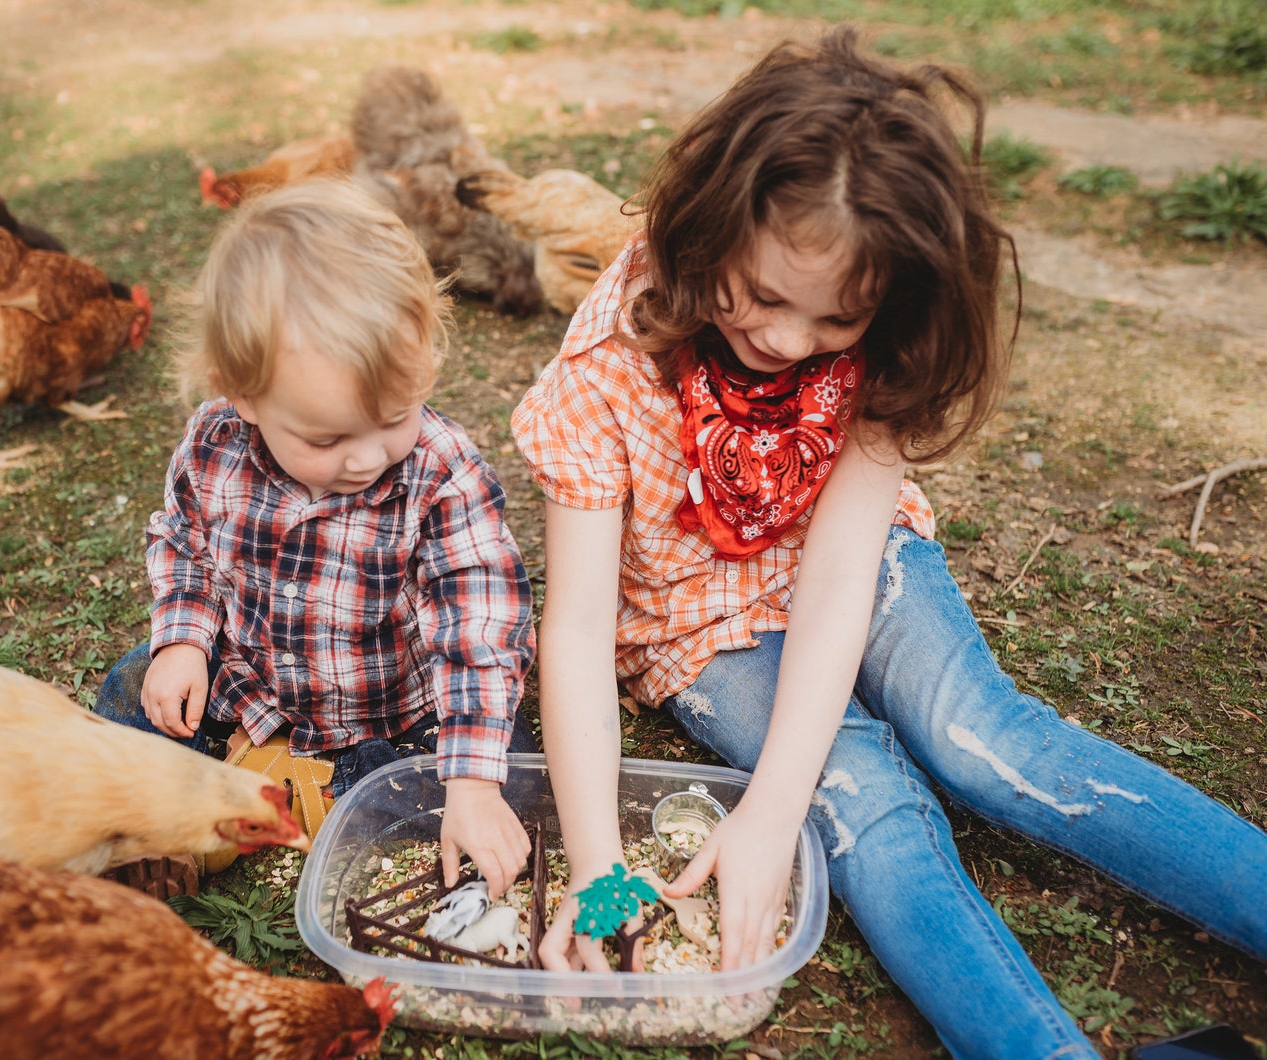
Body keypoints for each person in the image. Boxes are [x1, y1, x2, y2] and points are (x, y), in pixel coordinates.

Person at [511, 27, 1266, 1060]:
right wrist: (600, 869)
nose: (785, 340)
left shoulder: (892, 332)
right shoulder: (607, 364)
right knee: (868, 810)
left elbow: (836, 576)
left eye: (832, 321)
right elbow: (578, 627)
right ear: (713, 222)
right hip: (697, 624)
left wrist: (771, 810)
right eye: (767, 296)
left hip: (844, 568)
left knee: (983, 741)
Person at [96, 180, 536, 896]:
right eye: (326, 438)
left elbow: (479, 625)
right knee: (133, 687)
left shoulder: (442, 469)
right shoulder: (215, 442)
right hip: (251, 685)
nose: (365, 458)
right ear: (242, 393)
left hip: (396, 711)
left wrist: (472, 783)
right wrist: (183, 643)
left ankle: (334, 791)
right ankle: (156, 823)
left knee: (504, 774)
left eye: (393, 416)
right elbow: (185, 544)